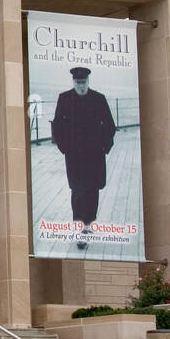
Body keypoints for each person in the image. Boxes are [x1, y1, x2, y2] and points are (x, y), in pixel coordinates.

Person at [50, 66, 116, 250]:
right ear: (73, 82)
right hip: (75, 157)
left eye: (83, 82)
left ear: (88, 81)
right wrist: (64, 148)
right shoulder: (64, 99)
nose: (81, 86)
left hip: (95, 155)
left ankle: (88, 224)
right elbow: (57, 127)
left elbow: (110, 125)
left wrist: (105, 147)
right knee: (78, 192)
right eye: (78, 83)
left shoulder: (99, 99)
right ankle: (80, 228)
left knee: (92, 191)